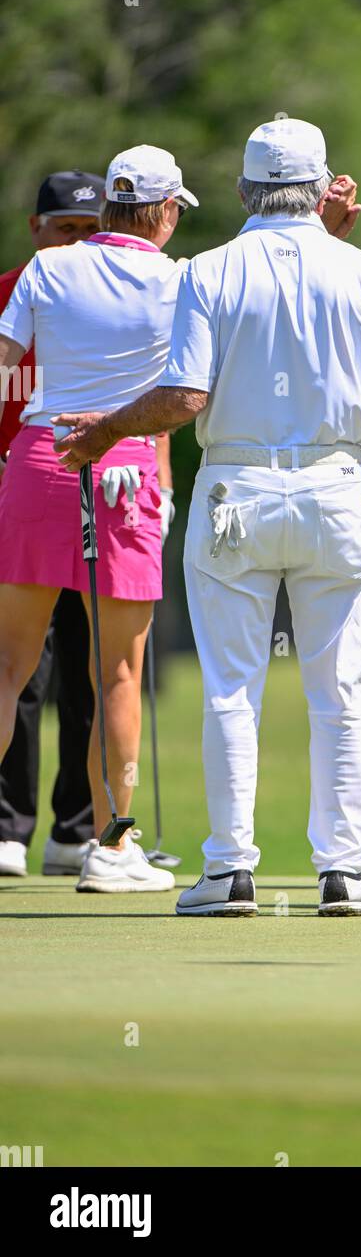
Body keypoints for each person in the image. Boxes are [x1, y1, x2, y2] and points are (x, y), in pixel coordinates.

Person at [55, 118, 361, 919]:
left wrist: (107, 429)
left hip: (235, 493)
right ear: (321, 192)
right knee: (343, 690)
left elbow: (185, 398)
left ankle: (228, 871)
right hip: (335, 492)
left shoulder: (207, 270)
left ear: (244, 191)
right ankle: (343, 872)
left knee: (230, 691)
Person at [0, 145, 198, 893]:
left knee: (7, 666)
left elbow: (2, 362)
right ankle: (113, 848)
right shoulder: (180, 279)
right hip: (123, 467)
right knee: (116, 672)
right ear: (166, 210)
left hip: (38, 458)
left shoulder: (47, 266)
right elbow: (187, 393)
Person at [0, 171, 101, 878]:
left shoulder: (112, 298)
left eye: (91, 231)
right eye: (66, 229)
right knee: (20, 669)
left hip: (98, 492)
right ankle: (9, 826)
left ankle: (78, 829)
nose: (77, 243)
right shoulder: (7, 293)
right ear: (36, 228)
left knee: (89, 665)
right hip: (19, 496)